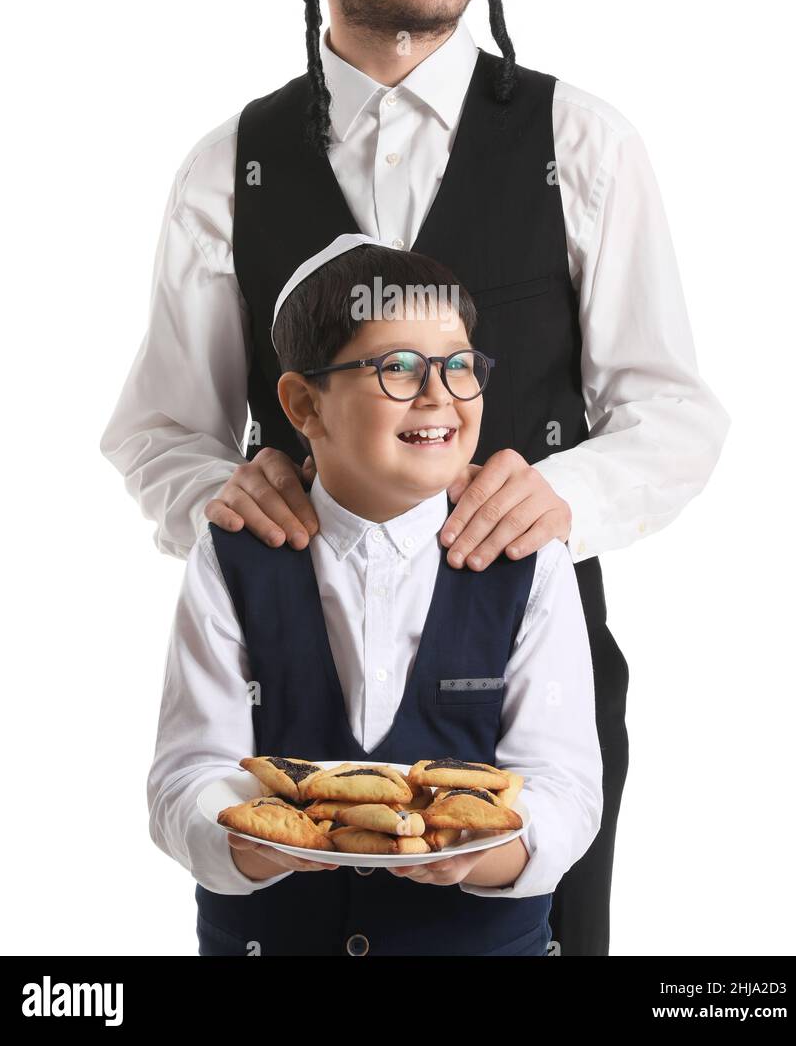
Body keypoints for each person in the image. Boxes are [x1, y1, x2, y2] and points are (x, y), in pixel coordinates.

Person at [103, 0, 731, 954]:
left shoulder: (581, 142)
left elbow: (672, 407)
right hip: (282, 658)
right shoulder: (223, 166)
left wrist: (551, 499)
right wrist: (230, 505)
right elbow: (158, 428)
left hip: (529, 659)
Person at [147, 235, 603, 956]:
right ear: (303, 404)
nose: (439, 394)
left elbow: (563, 785)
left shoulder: (526, 561)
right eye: (396, 367)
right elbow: (186, 774)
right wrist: (264, 844)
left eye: (459, 366)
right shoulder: (233, 558)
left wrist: (475, 850)